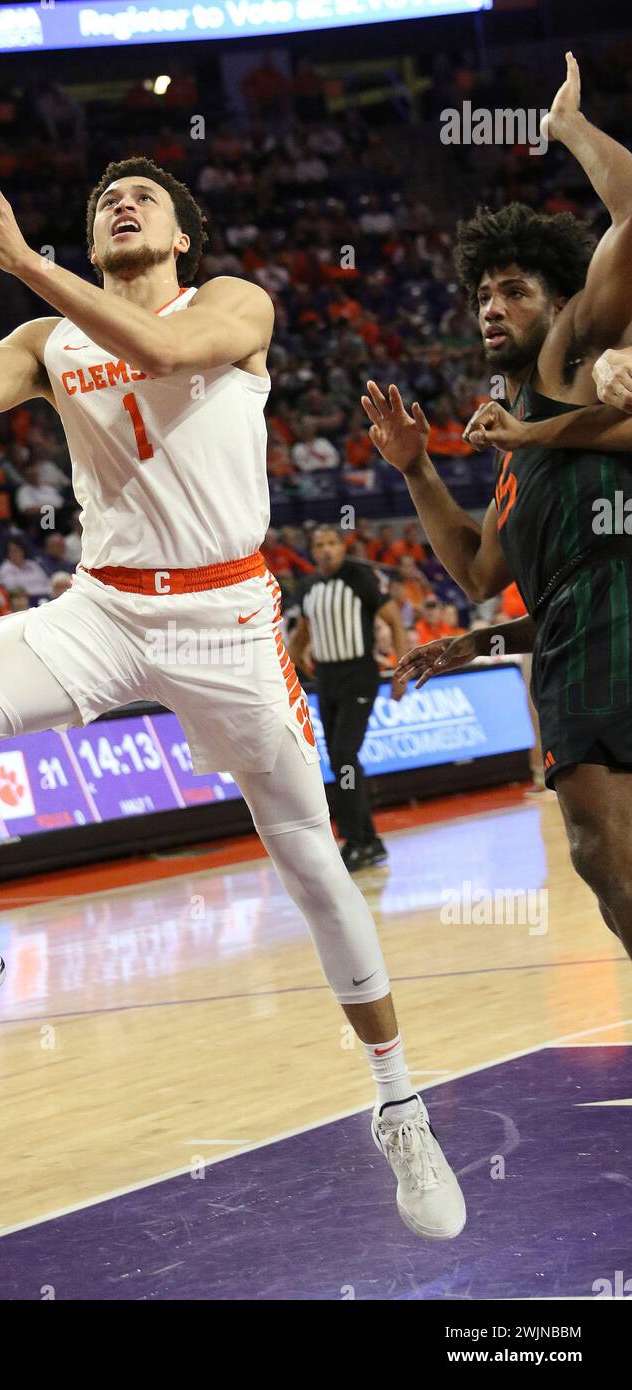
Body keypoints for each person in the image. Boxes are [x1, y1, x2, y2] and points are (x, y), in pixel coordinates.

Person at [0, 153, 464, 1241]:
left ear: (180, 235)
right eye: (102, 202)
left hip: (228, 620)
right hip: (103, 605)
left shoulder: (233, 304)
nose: (120, 204)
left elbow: (165, 349)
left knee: (316, 872)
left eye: (140, 198)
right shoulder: (50, 339)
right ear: (90, 242)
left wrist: (24, 263)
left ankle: (398, 1099)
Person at [361, 53, 632, 963]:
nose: (491, 306)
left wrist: (568, 130)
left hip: (622, 609)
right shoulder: (513, 429)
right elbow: (481, 570)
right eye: (482, 293)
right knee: (601, 858)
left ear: (563, 302)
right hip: (564, 639)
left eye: (513, 290)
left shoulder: (572, 355)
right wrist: (416, 471)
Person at [288, 526, 408, 870]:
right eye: (319, 545)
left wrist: (401, 670)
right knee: (341, 761)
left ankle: (358, 840)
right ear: (312, 552)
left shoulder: (360, 578)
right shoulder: (309, 587)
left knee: (344, 755)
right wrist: (293, 660)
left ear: (342, 547)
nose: (325, 550)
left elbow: (395, 622)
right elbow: (305, 632)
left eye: (331, 544)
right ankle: (366, 841)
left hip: (359, 675)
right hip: (326, 678)